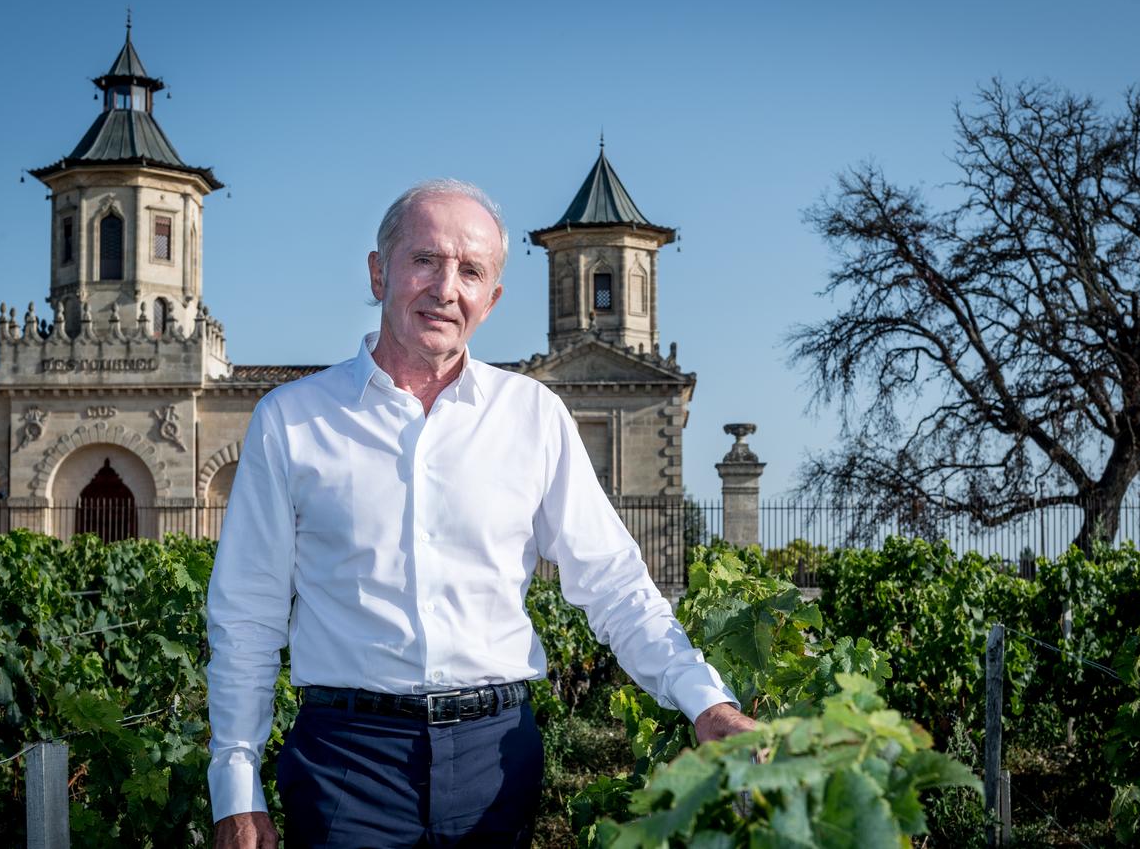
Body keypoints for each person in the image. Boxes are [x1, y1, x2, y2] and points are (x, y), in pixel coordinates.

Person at [207, 180, 754, 848]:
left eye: (471, 271)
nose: (446, 288)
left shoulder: (533, 416)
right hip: (349, 759)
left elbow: (613, 582)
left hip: (495, 756)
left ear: (491, 300)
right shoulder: (292, 421)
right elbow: (247, 611)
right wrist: (235, 782)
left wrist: (706, 699)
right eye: (425, 260)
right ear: (379, 272)